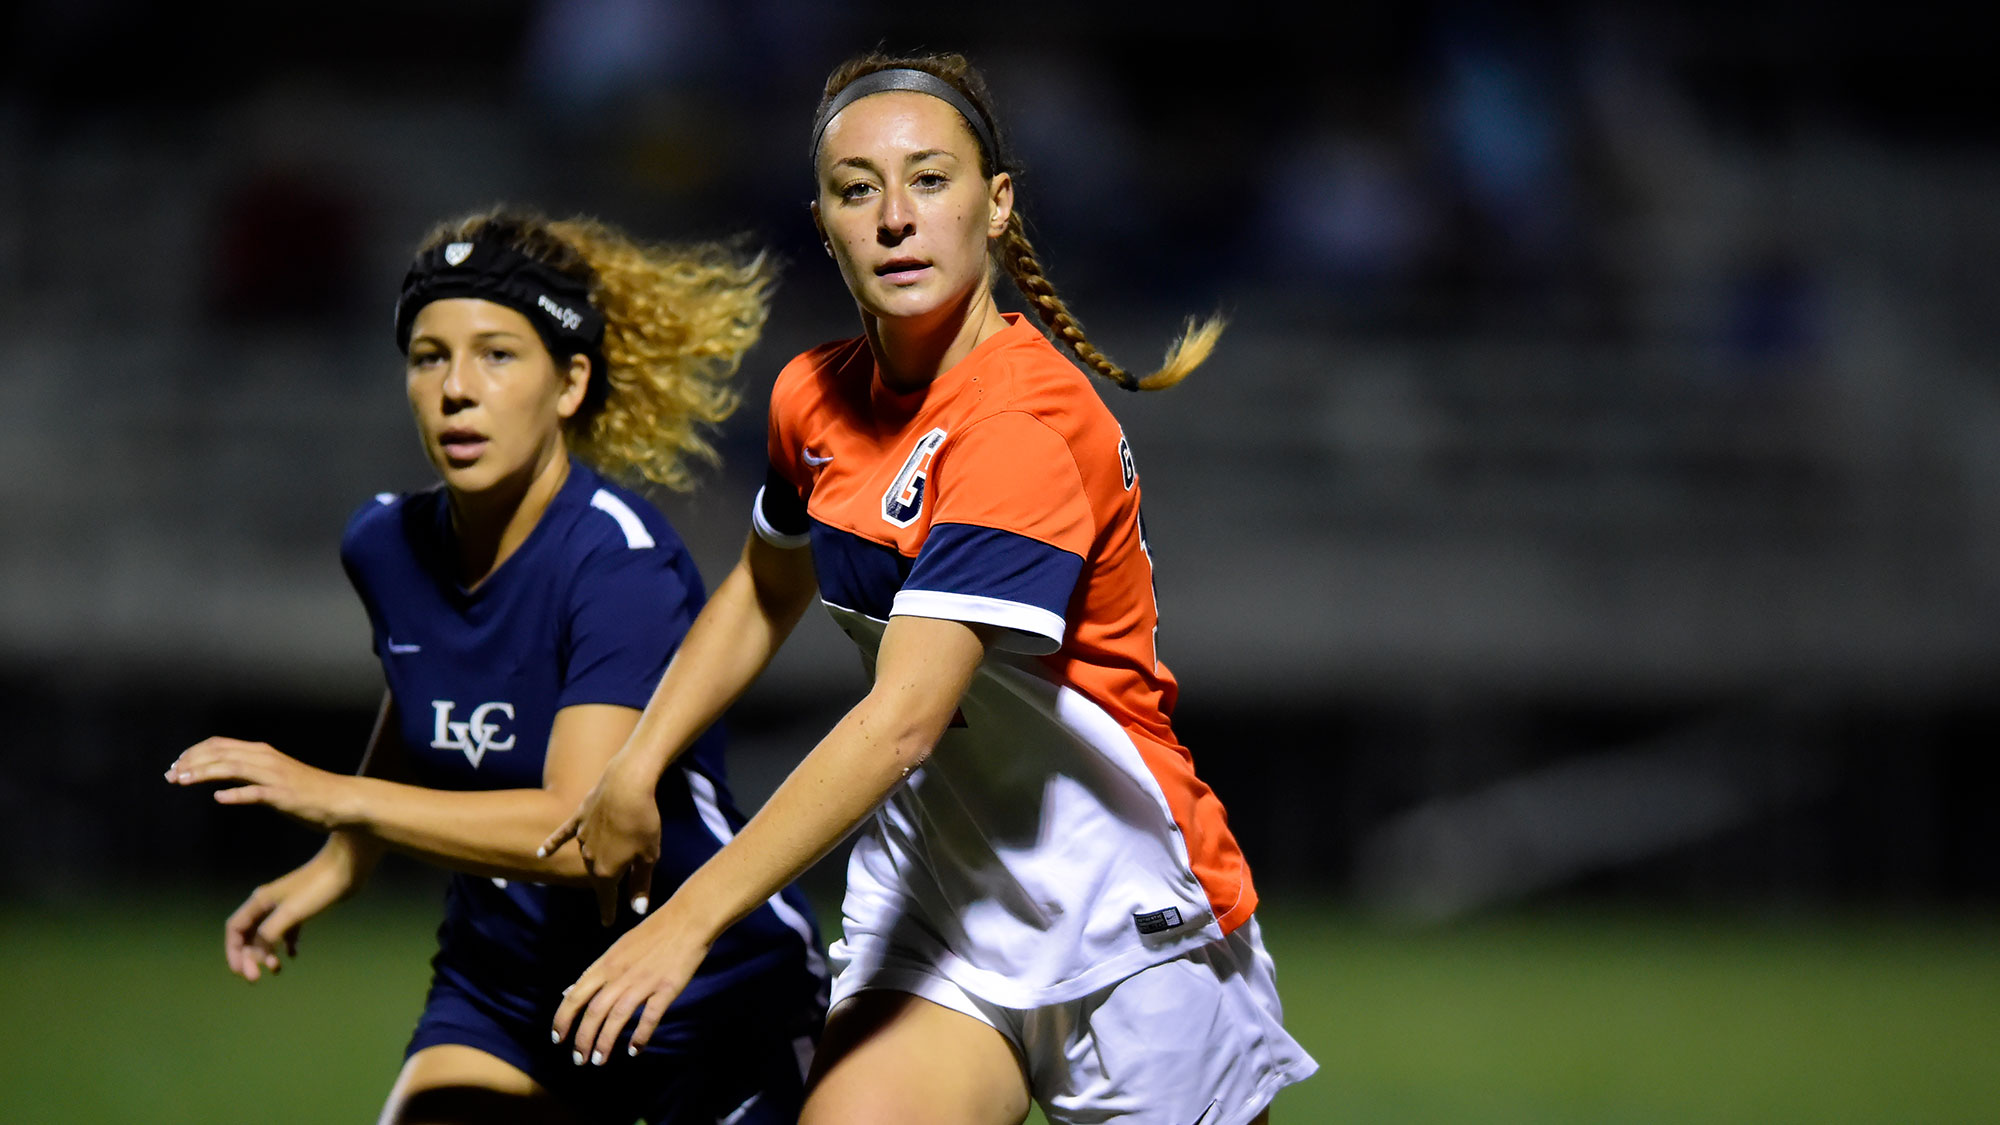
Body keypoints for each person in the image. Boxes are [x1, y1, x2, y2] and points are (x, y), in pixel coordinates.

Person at [542, 52, 1319, 1125]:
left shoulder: (1018, 430)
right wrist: (638, 764)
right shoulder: (810, 396)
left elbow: (903, 721)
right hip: (939, 908)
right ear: (822, 220)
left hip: (1127, 929)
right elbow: (765, 589)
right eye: (857, 189)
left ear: (996, 205)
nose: (894, 217)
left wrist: (688, 919)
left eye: (930, 180)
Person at [166, 208, 826, 1125]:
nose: (455, 389)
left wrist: (332, 795)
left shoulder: (617, 562)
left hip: (702, 988)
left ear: (570, 383)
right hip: (508, 986)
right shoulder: (384, 541)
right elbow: (423, 690)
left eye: (497, 355)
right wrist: (343, 861)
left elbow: (579, 830)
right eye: (429, 356)